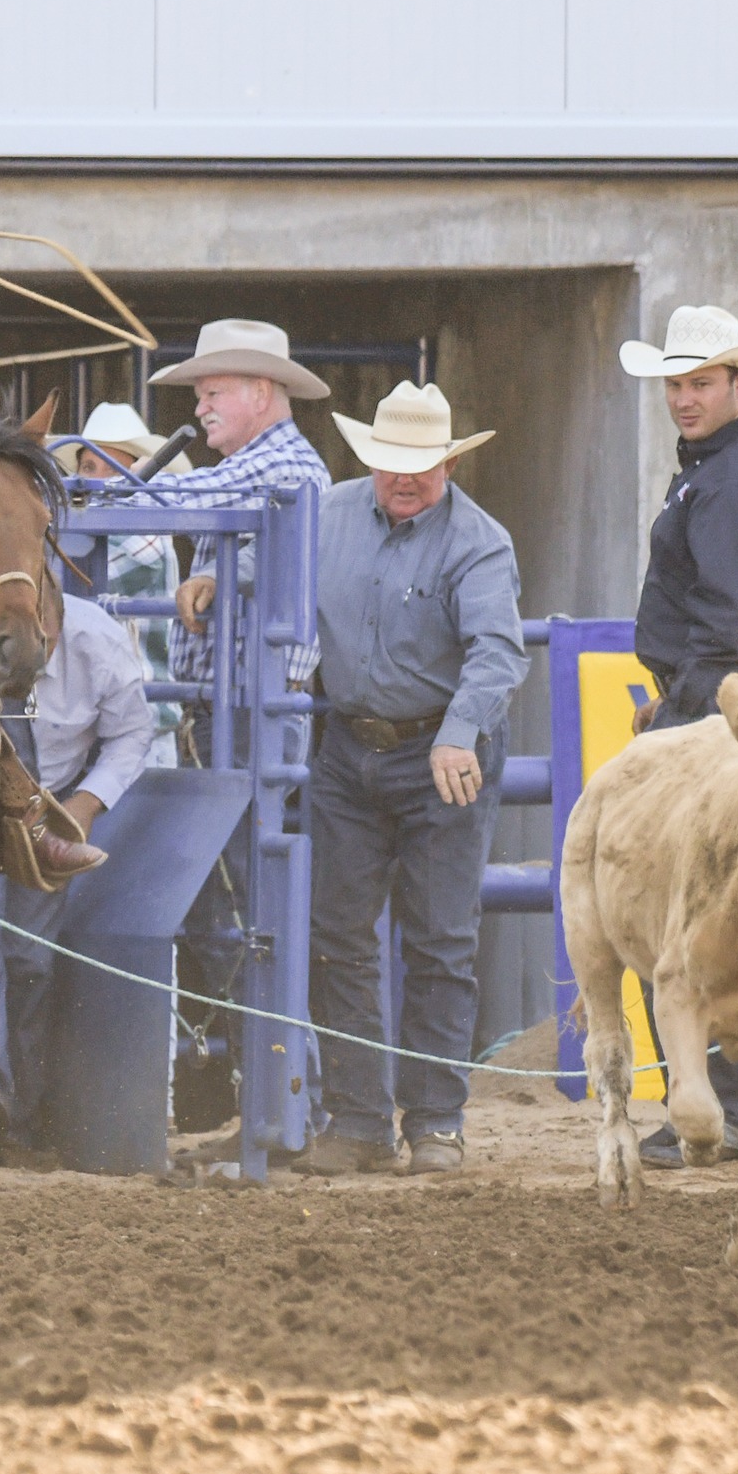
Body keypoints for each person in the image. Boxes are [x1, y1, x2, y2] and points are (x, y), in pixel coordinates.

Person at [300, 383, 527, 1176]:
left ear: (450, 462)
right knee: (337, 936)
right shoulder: (324, 516)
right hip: (347, 746)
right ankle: (359, 1119)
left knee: (439, 938)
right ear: (370, 461)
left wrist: (459, 735)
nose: (404, 478)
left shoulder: (479, 541)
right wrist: (215, 583)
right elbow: (262, 562)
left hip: (441, 752)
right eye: (391, 463)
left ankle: (435, 1120)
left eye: (420, 465)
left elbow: (498, 651)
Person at [622, 303, 738, 1166]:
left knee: (702, 916)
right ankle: (737, 1105)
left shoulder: (728, 482)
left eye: (699, 383)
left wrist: (678, 719)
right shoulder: (728, 470)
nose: (683, 398)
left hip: (720, 710)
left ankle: (724, 1109)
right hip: (730, 706)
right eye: (675, 383)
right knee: (725, 916)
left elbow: (726, 631)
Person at [145, 320, 332, 1133]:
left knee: (252, 901)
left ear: (264, 393)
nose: (199, 406)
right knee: (233, 905)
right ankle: (272, 1099)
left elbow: (168, 501)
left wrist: (218, 569)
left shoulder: (281, 463)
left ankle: (294, 1098)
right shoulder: (267, 467)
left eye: (213, 392)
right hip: (233, 712)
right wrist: (221, 570)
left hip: (252, 716)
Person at [0, 589, 153, 1165]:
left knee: (29, 960)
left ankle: (17, 1117)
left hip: (47, 811)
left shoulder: (96, 641)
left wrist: (87, 804)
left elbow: (133, 733)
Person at [57, 400, 188, 769]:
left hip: (143, 731)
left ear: (137, 474)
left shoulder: (147, 537)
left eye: (113, 469)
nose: (99, 481)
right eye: (88, 467)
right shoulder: (75, 534)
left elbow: (69, 580)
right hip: (88, 729)